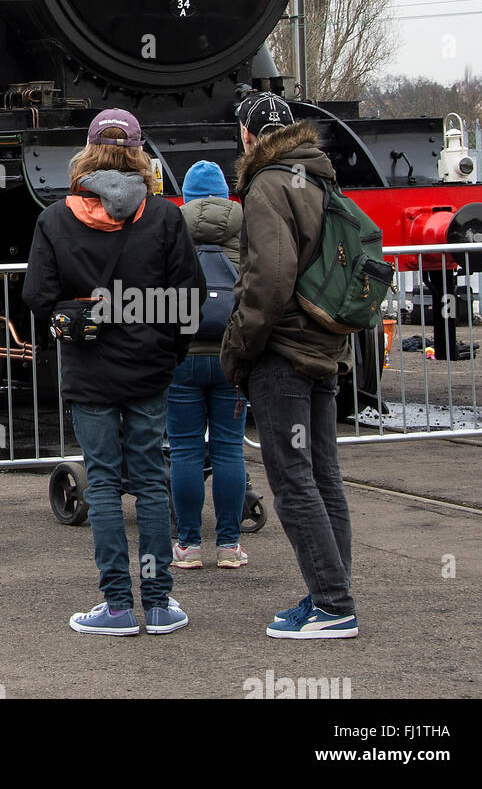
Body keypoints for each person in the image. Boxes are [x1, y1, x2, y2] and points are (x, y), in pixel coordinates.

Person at [23, 109, 204, 635]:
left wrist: (76, 316)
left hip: (88, 370)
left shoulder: (55, 218)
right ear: (140, 153)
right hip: (148, 369)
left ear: (87, 151)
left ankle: (118, 606)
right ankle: (161, 602)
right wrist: (167, 350)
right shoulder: (165, 216)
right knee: (150, 481)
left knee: (102, 483)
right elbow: (190, 296)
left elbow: (36, 295)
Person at [220, 92, 359, 639]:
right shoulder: (321, 180)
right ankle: (332, 591)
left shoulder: (266, 185)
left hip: (282, 351)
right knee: (324, 477)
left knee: (294, 481)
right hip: (324, 345)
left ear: (250, 137)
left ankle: (332, 604)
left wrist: (239, 344)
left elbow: (268, 279)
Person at [169, 159, 249, 570]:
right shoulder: (245, 221)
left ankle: (188, 545)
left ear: (187, 195)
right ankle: (230, 546)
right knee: (229, 449)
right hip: (230, 354)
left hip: (182, 355)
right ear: (224, 193)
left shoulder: (171, 223)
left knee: (184, 449)